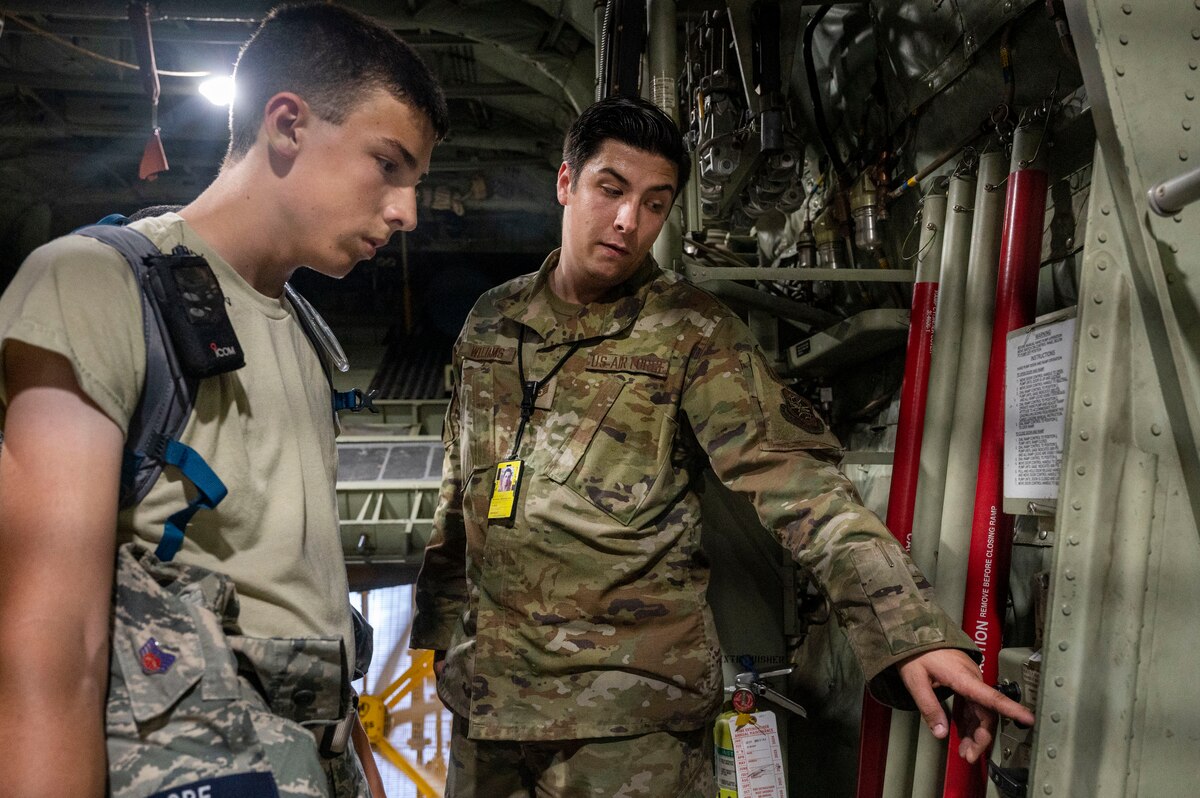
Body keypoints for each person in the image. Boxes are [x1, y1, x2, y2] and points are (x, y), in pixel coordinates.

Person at [412, 95, 1035, 796]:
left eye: (655, 203)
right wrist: (438, 636)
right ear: (567, 183)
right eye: (610, 190)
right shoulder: (492, 320)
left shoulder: (692, 331)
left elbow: (800, 485)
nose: (628, 221)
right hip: (487, 706)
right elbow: (460, 488)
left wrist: (911, 631)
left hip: (629, 721)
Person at [0, 4, 448, 797]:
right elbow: (48, 653)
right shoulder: (93, 283)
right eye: (389, 165)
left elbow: (303, 609)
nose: (407, 211)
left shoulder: (302, 335)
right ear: (286, 124)